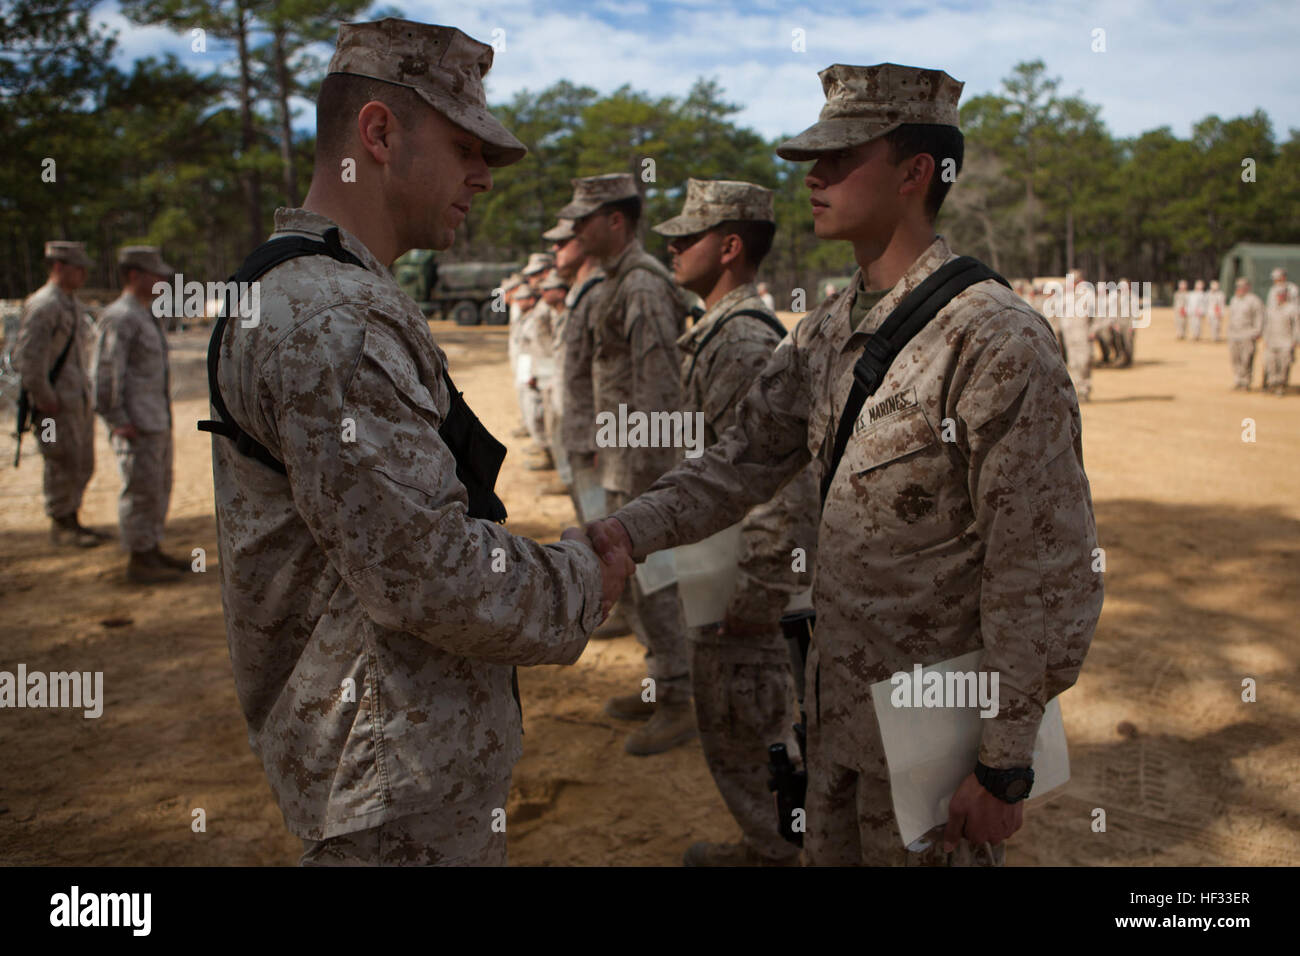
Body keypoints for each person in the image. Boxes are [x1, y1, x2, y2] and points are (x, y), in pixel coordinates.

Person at [587, 62, 1103, 866]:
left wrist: (1005, 765)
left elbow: (1041, 566)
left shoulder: (995, 340)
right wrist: (627, 529)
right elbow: (740, 462)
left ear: (915, 172)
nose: (814, 175)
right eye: (811, 159)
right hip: (834, 720)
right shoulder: (824, 334)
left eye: (840, 156)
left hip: (931, 744)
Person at [204, 18, 631, 867]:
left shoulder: (305, 285)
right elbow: (427, 573)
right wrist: (585, 577)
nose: (483, 177)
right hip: (393, 781)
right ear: (379, 133)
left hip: (383, 760)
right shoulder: (338, 318)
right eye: (466, 146)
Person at [652, 178, 818, 866]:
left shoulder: (743, 343)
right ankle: (767, 847)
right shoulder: (720, 334)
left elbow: (785, 487)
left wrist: (754, 600)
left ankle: (776, 855)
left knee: (752, 738)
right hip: (722, 577)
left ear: (728, 247)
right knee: (739, 734)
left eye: (685, 237)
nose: (669, 246)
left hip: (744, 594)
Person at [562, 171, 695, 755]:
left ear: (616, 220)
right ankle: (657, 685)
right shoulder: (617, 282)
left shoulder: (641, 285)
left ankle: (678, 699)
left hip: (643, 468)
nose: (575, 228)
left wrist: (651, 486)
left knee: (659, 585)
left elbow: (660, 390)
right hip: (622, 463)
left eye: (584, 218)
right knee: (640, 588)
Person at [92, 246, 190, 583]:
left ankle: (150, 549)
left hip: (154, 419)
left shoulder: (145, 313)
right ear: (134, 275)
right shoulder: (120, 316)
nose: (163, 279)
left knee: (157, 487)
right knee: (139, 489)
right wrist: (118, 420)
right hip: (135, 424)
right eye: (156, 274)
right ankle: (139, 559)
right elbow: (106, 374)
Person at [15, 240, 107, 548]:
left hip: (75, 401)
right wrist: (44, 396)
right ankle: (61, 523)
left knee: (81, 462)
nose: (82, 274)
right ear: (58, 267)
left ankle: (72, 518)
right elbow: (28, 358)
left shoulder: (70, 303)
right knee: (60, 460)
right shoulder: (44, 305)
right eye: (77, 268)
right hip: (54, 405)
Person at [1262, 275, 1298, 395]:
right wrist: (1266, 338)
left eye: (1282, 295)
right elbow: (1267, 325)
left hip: (1286, 341)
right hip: (1272, 341)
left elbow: (1296, 326)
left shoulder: (1292, 309)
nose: (1279, 297)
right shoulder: (1271, 310)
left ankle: (1281, 385)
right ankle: (1273, 383)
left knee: (1284, 365)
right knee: (1271, 363)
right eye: (1278, 295)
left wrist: (1295, 340)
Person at [1061, 268, 1093, 401]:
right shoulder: (1065, 296)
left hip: (1083, 333)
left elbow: (1096, 315)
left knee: (1084, 362)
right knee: (1073, 363)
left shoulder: (1089, 295)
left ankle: (1085, 388)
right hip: (1069, 335)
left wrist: (1093, 330)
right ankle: (1076, 390)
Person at [1226, 277, 1263, 390]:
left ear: (1248, 287)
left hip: (1248, 334)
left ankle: (1246, 381)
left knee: (1246, 359)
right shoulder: (1234, 300)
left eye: (1242, 286)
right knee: (1235, 358)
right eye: (1238, 287)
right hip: (1234, 335)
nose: (1240, 289)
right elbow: (1231, 317)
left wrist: (1258, 331)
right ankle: (1238, 380)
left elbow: (1259, 317)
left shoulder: (1254, 300)